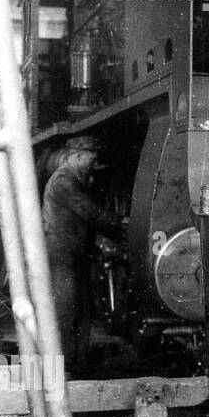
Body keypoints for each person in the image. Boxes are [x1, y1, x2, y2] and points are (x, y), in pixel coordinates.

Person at [42, 136, 124, 367]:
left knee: (83, 309)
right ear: (76, 156)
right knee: (66, 309)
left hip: (76, 253)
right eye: (91, 158)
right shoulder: (63, 181)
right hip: (62, 254)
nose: (94, 163)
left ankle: (79, 361)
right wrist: (120, 222)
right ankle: (63, 364)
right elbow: (89, 211)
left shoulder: (77, 178)